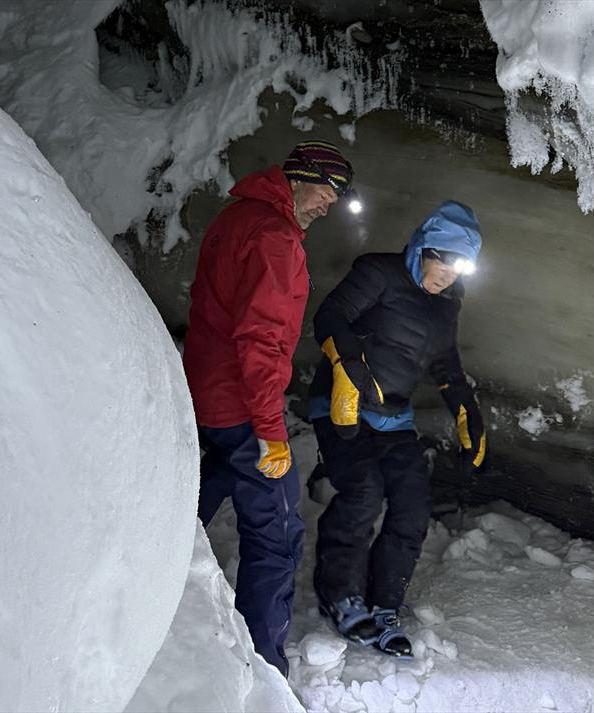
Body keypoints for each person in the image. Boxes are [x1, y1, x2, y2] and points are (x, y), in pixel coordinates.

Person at [182, 140, 354, 676]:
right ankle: (261, 665)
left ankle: (164, 597)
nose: (329, 204)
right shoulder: (276, 238)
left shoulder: (239, 217)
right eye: (326, 190)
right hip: (240, 405)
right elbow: (261, 339)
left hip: (208, 393)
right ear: (300, 178)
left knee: (193, 504)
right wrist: (269, 428)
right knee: (277, 535)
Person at [308, 200, 487, 658]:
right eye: (442, 258)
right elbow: (331, 316)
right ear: (423, 246)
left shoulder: (447, 304)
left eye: (458, 265)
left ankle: (385, 603)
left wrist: (465, 408)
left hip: (395, 418)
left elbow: (445, 364)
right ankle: (340, 595)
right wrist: (346, 367)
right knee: (363, 493)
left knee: (412, 505)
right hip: (342, 408)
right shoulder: (379, 273)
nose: (447, 273)